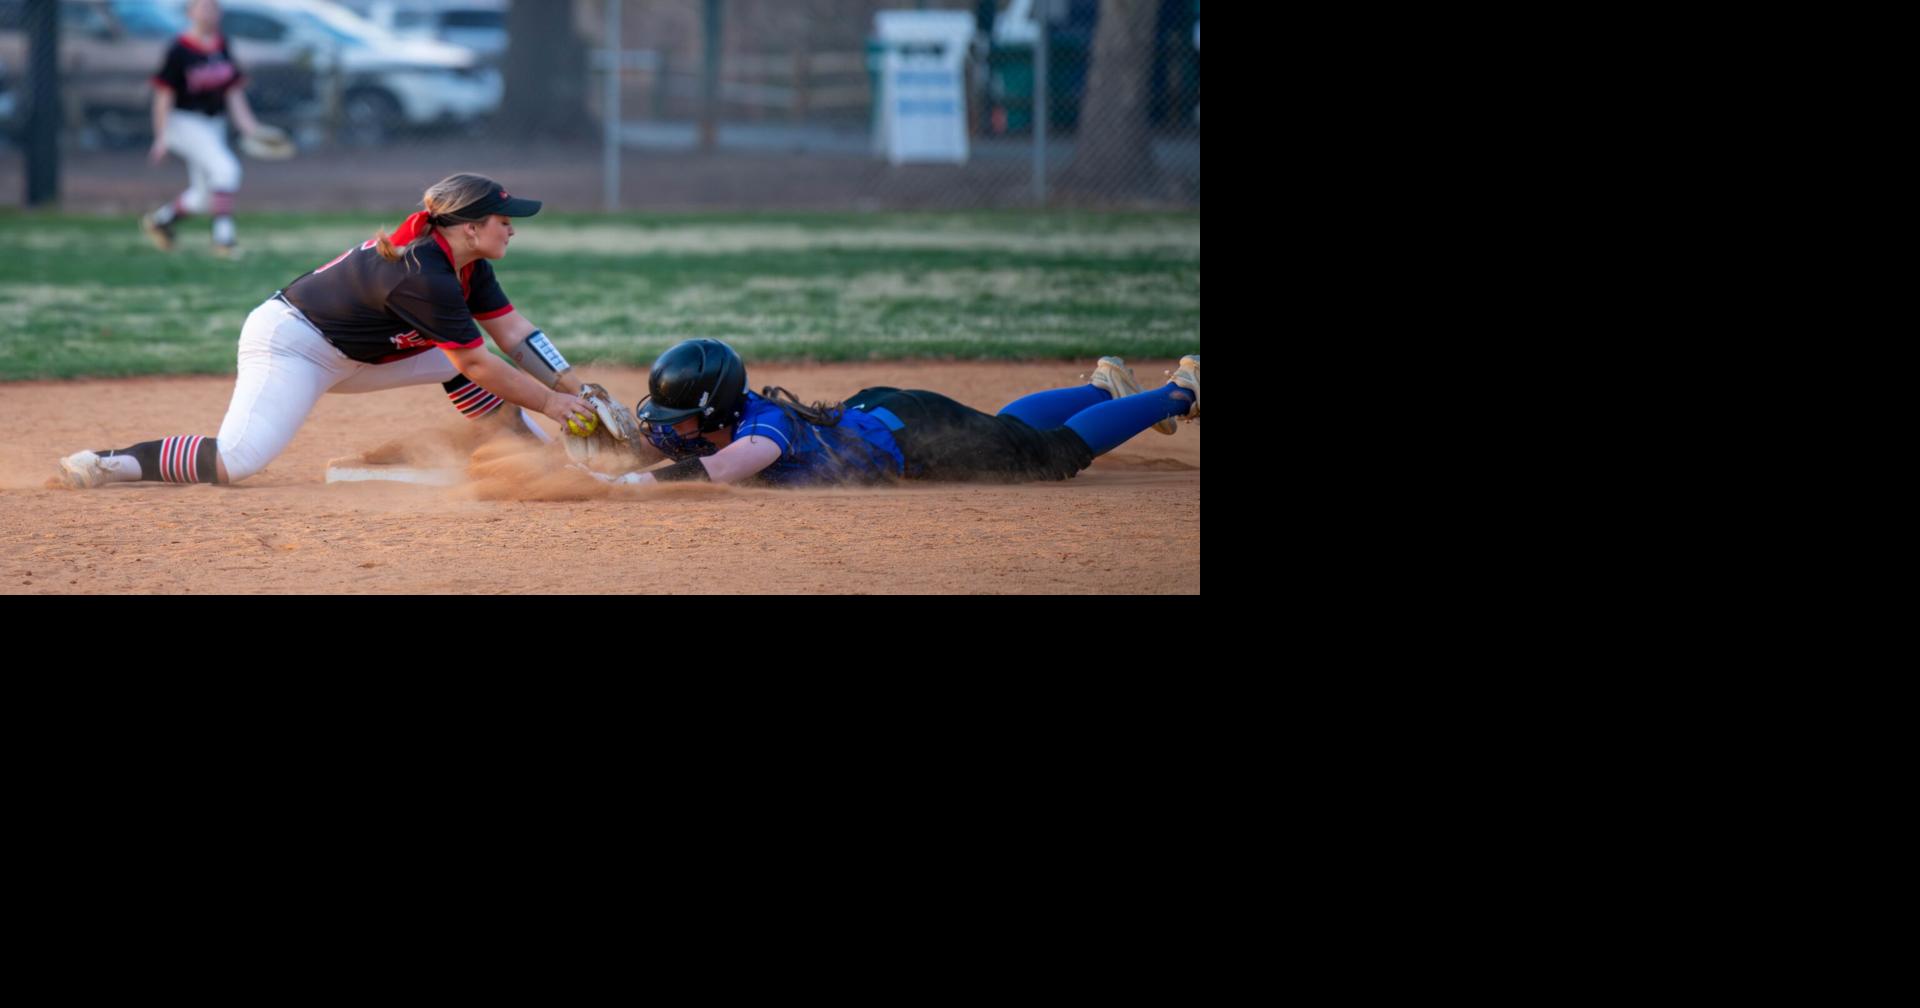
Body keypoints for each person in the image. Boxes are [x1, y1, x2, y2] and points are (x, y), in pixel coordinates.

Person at [56, 172, 595, 489]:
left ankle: (527, 455)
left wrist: (571, 386)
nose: (512, 228)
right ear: (470, 227)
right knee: (239, 460)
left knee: (467, 363)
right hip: (294, 345)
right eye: (505, 220)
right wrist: (552, 405)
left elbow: (514, 333)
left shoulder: (468, 262)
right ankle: (114, 463)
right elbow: (477, 362)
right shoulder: (421, 274)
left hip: (366, 351)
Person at [586, 338, 1199, 489]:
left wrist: (630, 484)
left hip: (920, 436)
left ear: (711, 408)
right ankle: (1101, 387)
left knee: (1051, 456)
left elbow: (725, 469)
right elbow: (655, 448)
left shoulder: (761, 430)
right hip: (887, 414)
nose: (666, 424)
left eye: (675, 413)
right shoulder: (714, 423)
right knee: (1008, 428)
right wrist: (595, 445)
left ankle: (1183, 390)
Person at [140, 0, 266, 258]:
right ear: (190, 13)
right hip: (184, 122)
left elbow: (233, 92)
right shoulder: (180, 49)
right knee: (226, 169)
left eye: (213, 7)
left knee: (203, 197)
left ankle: (160, 221)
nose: (209, 12)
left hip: (213, 124)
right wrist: (161, 137)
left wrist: (251, 128)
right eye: (203, 7)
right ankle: (224, 239)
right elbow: (164, 95)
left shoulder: (221, 45)